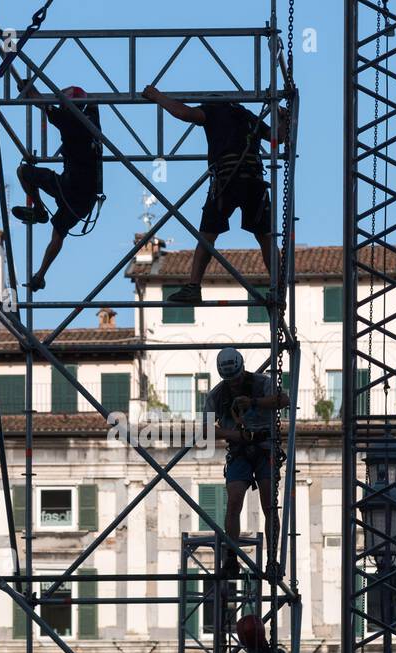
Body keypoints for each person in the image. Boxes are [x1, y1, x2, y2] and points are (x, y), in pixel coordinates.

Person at [141, 85, 288, 304]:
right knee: (265, 236)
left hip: (226, 181)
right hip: (253, 181)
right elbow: (279, 138)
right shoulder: (245, 115)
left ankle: (193, 286)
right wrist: (283, 118)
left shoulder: (214, 110)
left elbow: (185, 113)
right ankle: (277, 288)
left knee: (207, 236)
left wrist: (157, 96)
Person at [204, 347, 289, 578]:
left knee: (269, 505)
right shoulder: (217, 396)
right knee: (233, 502)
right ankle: (231, 558)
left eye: (237, 378)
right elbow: (206, 428)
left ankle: (272, 560)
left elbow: (284, 399)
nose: (234, 384)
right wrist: (235, 436)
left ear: (243, 370)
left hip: (264, 448)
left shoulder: (262, 383)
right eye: (229, 380)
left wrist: (254, 402)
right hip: (239, 449)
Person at [11, 85, 103, 292]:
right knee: (59, 233)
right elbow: (93, 100)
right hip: (86, 199)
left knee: (23, 172)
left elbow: (40, 102)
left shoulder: (69, 121)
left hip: (69, 187)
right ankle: (40, 275)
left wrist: (27, 87)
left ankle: (40, 211)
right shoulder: (92, 119)